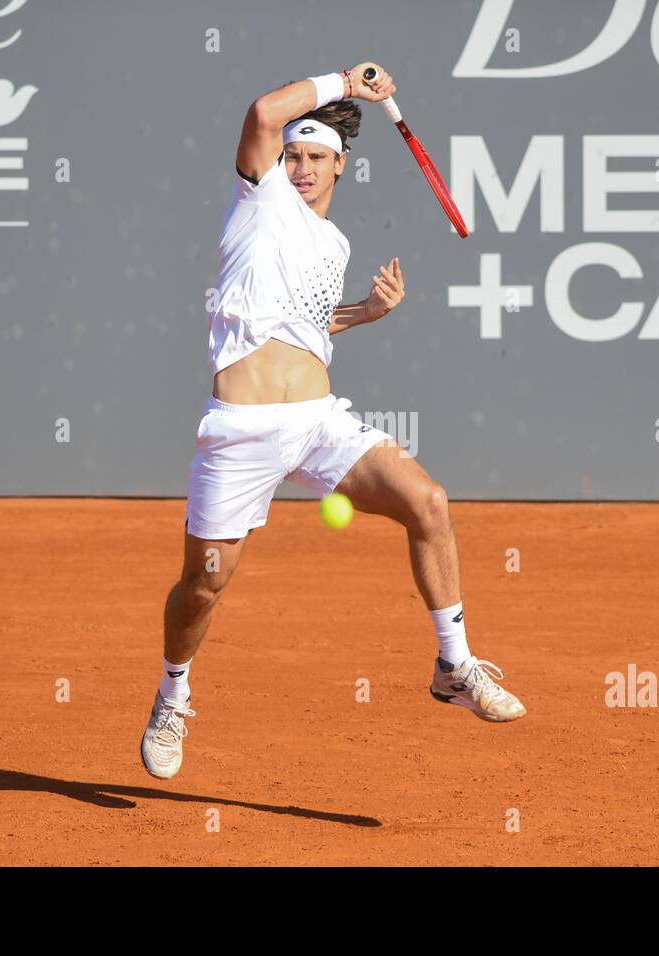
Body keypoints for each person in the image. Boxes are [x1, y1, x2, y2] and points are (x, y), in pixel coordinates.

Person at [141, 63, 526, 781]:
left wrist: (366, 315)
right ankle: (173, 693)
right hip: (241, 429)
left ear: (341, 165)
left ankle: (454, 663)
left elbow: (308, 327)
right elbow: (262, 112)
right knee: (204, 583)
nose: (302, 167)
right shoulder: (259, 199)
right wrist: (345, 80)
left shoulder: (334, 245)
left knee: (429, 503)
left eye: (316, 157)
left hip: (317, 420)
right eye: (294, 155)